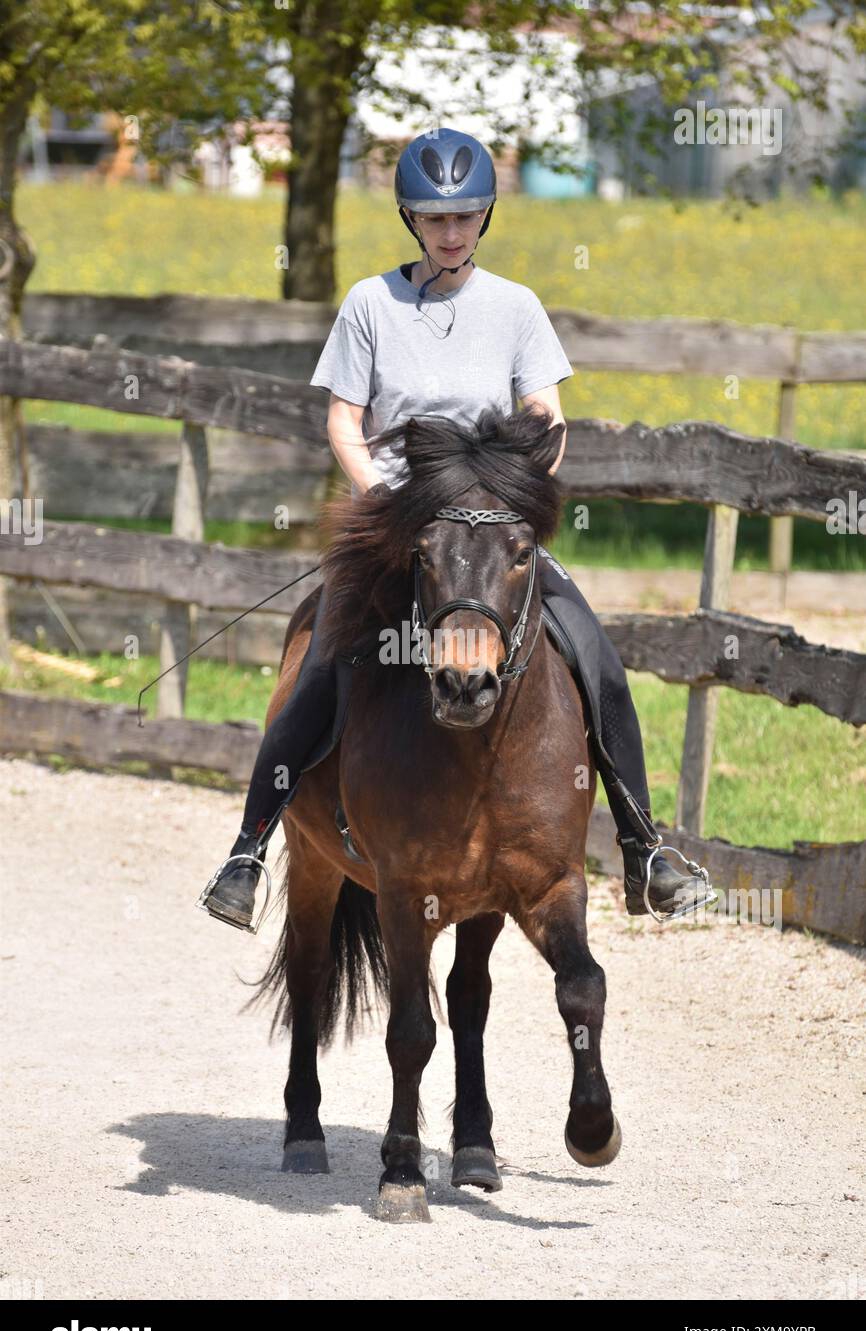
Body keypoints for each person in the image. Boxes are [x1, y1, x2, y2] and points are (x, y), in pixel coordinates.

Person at [199, 127, 714, 932]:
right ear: (410, 218)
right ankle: (248, 849)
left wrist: (517, 498)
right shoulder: (372, 303)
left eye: (466, 217)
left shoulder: (515, 308)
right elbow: (344, 421)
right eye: (436, 219)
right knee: (321, 670)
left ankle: (650, 848)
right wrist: (386, 506)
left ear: (486, 216)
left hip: (492, 530)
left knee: (596, 656)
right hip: (401, 532)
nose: (451, 232)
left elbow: (547, 415)